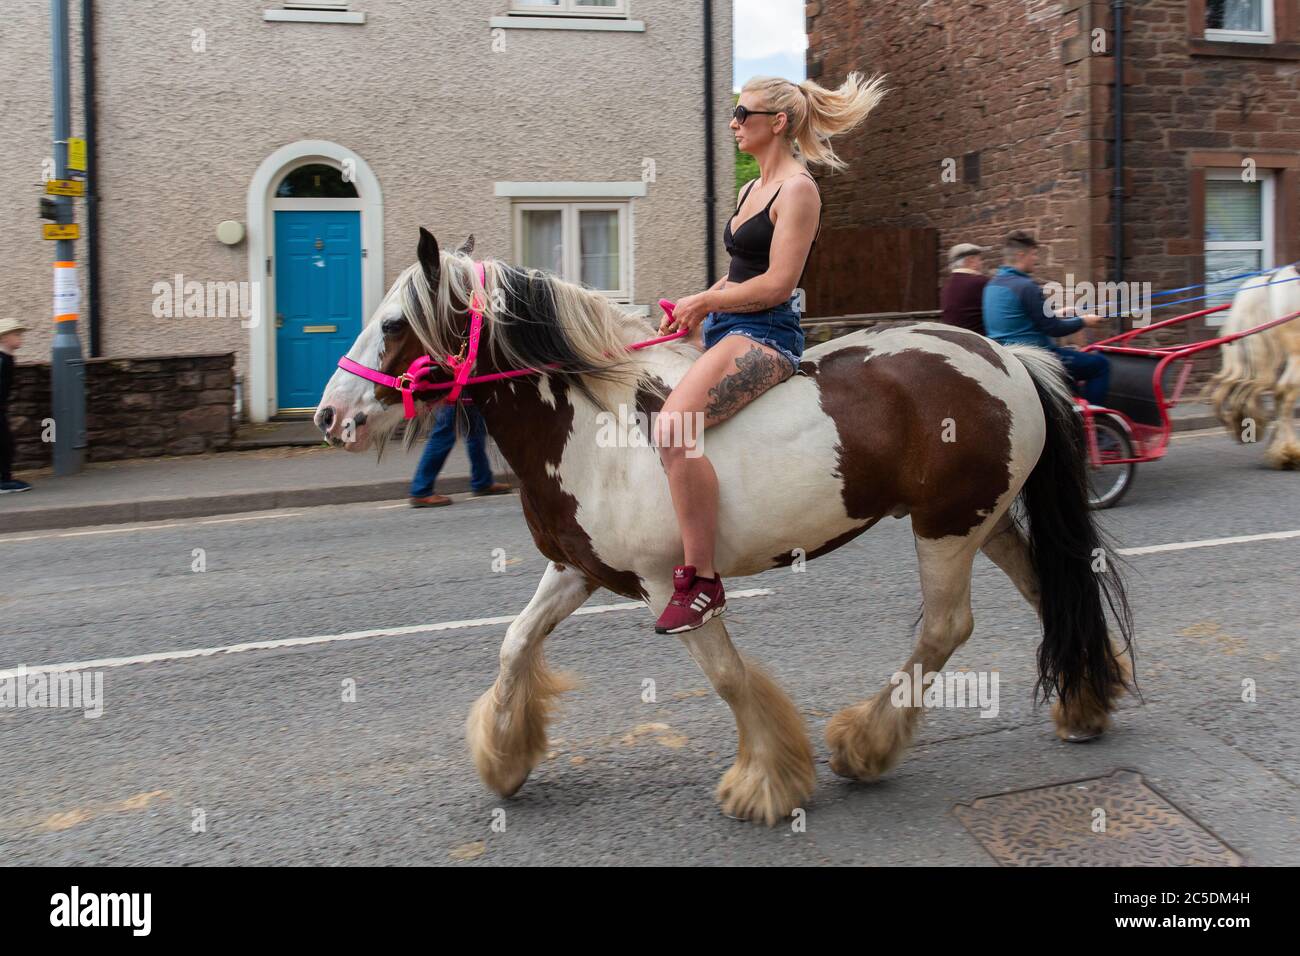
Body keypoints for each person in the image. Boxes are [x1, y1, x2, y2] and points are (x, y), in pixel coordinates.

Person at [651, 72, 886, 634]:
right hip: (728, 328)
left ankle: (703, 581)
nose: (733, 123)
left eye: (743, 114)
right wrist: (698, 306)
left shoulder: (798, 190)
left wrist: (708, 300)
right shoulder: (748, 189)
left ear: (777, 124)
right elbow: (739, 273)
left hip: (766, 337)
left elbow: (778, 284)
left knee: (674, 429)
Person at [982, 231, 1111, 405]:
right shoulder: (1026, 286)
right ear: (1021, 255)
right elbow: (1054, 329)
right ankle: (1089, 423)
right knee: (1100, 365)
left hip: (1005, 355)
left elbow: (1017, 317)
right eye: (1034, 254)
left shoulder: (992, 285)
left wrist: (1058, 312)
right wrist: (1085, 321)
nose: (1036, 259)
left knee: (1072, 379)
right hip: (1036, 357)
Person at [408, 403, 510, 507]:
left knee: (475, 431)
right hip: (456, 391)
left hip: (466, 392)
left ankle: (483, 481)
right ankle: (421, 490)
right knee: (444, 434)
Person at [0, 318, 32, 495]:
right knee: (5, 444)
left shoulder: (7, 358)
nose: (21, 338)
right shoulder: (2, 359)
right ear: (3, 338)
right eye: (16, 334)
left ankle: (5, 479)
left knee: (6, 444)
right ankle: (3, 481)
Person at [940, 242, 989, 334]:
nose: (981, 263)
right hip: (979, 341)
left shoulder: (947, 285)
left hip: (952, 339)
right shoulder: (980, 282)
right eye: (980, 260)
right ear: (970, 260)